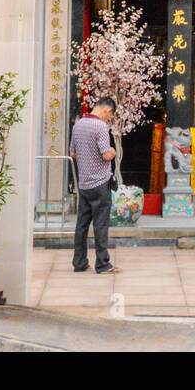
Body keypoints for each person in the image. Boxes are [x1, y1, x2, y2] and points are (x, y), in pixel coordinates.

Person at [68, 96, 121, 274]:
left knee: (82, 225)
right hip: (100, 183)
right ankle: (102, 264)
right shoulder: (100, 126)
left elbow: (73, 153)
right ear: (107, 110)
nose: (109, 119)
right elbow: (106, 155)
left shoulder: (79, 124)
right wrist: (113, 151)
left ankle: (79, 262)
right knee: (100, 224)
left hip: (84, 184)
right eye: (110, 115)